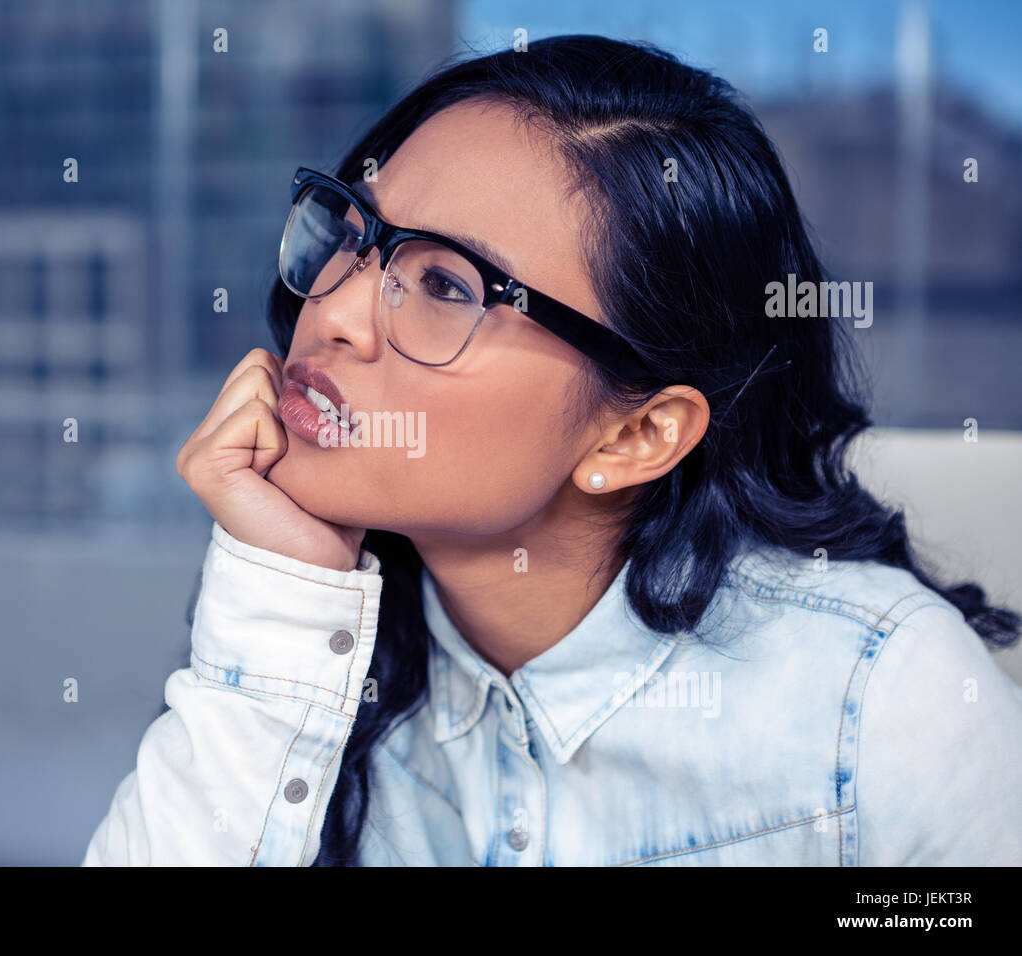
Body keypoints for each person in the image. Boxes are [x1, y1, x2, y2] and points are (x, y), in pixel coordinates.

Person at [83, 35, 1022, 866]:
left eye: (447, 286)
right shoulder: (319, 632)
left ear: (636, 433)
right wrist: (278, 598)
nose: (330, 311)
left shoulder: (880, 703)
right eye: (356, 235)